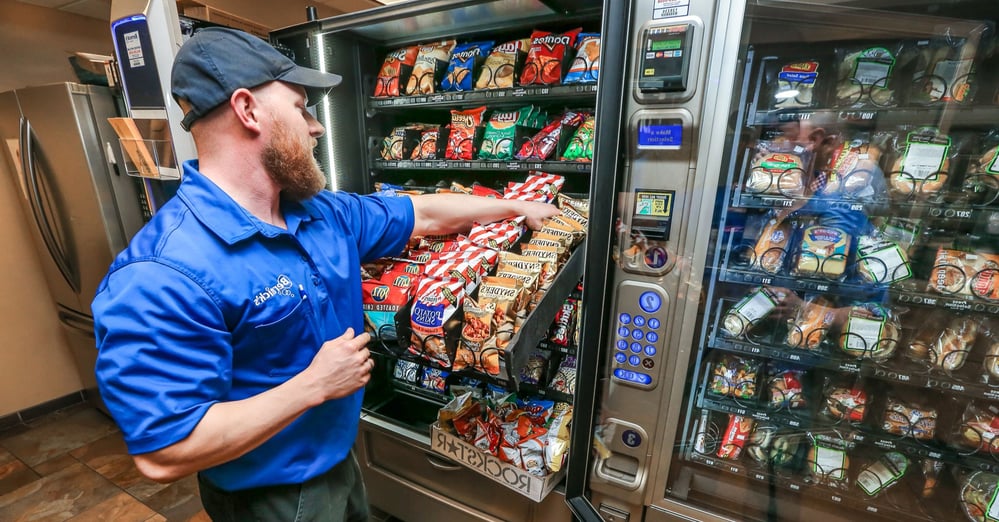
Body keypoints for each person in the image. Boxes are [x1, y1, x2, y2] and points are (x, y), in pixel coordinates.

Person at [91, 27, 560, 522]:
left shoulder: (318, 213)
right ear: (248, 110)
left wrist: (517, 206)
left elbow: (421, 214)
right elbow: (164, 452)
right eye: (300, 107)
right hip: (268, 498)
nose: (316, 127)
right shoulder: (162, 272)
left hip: (339, 460)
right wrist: (312, 386)